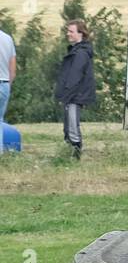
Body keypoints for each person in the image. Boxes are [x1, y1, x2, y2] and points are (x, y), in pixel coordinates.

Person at [55, 19, 96, 159]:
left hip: (74, 96)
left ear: (81, 34)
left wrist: (65, 97)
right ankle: (71, 153)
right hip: (73, 95)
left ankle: (75, 155)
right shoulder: (77, 50)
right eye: (68, 31)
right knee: (69, 125)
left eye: (71, 31)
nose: (68, 34)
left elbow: (74, 77)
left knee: (72, 125)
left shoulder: (80, 53)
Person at [0, 23, 15, 128]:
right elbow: (12, 68)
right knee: (0, 121)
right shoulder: (8, 39)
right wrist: (8, 84)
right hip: (4, 84)